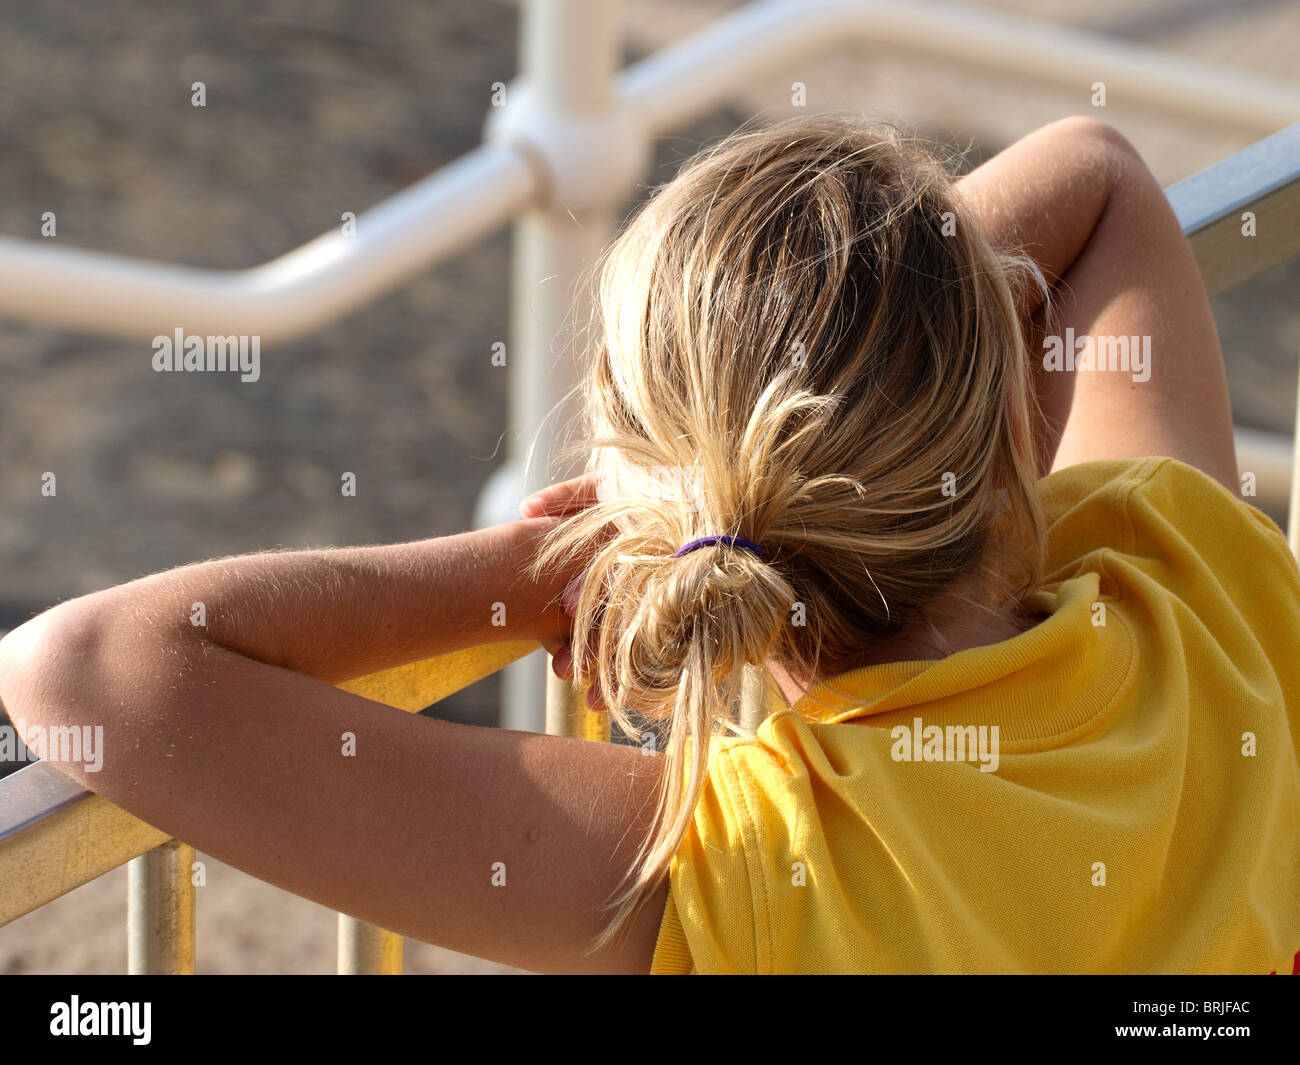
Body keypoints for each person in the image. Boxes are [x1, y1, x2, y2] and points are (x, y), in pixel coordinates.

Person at [2, 113, 1297, 975]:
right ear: (1014, 384)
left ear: (663, 507)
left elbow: (83, 668)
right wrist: (894, 326)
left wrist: (530, 576)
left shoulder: (736, 865)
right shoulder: (1190, 578)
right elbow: (1100, 174)